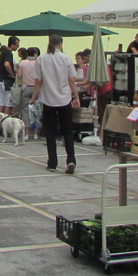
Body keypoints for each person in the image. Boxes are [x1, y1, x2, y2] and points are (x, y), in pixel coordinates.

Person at [30, 34, 79, 174]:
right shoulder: (66, 58)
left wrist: (33, 97)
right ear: (61, 44)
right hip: (64, 100)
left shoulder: (41, 59)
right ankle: (71, 160)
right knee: (67, 131)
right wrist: (76, 97)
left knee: (50, 132)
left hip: (48, 100)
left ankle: (52, 162)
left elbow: (38, 81)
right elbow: (71, 80)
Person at [17, 47, 40, 138]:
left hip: (25, 87)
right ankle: (36, 133)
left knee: (25, 111)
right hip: (36, 88)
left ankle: (26, 133)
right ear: (35, 54)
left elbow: (19, 76)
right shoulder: (38, 63)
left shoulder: (22, 63)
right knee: (37, 111)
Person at [0, 36, 20, 113]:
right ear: (12, 45)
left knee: (2, 102)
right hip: (8, 81)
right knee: (8, 103)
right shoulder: (9, 53)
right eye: (17, 45)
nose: (18, 47)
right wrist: (13, 75)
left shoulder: (3, 52)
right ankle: (6, 122)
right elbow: (6, 64)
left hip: (2, 80)